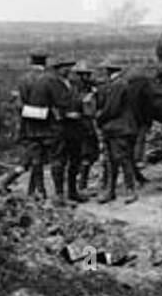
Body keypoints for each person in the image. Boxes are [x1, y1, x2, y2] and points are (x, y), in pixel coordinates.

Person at [19, 55, 67, 201]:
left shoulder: (23, 79)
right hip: (50, 126)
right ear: (45, 62)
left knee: (36, 160)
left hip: (31, 126)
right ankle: (59, 194)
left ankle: (40, 191)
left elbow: (21, 103)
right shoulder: (50, 79)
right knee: (56, 159)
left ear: (31, 62)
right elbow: (62, 101)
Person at [96, 61, 140, 204]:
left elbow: (112, 108)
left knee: (122, 159)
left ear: (108, 70)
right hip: (115, 128)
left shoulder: (118, 85)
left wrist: (99, 118)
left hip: (120, 128)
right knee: (112, 160)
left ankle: (130, 190)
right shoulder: (117, 84)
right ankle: (111, 191)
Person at [52, 57, 87, 204]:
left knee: (75, 160)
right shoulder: (52, 84)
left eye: (70, 66)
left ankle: (73, 192)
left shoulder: (74, 84)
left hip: (75, 128)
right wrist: (65, 115)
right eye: (65, 66)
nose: (68, 69)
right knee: (59, 160)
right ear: (57, 69)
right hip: (60, 128)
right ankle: (59, 194)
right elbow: (51, 106)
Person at [72, 62, 102, 193]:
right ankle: (81, 184)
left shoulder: (88, 87)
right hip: (82, 125)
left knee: (88, 155)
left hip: (85, 125)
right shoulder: (76, 89)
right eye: (86, 74)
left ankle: (81, 183)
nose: (88, 77)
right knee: (85, 154)